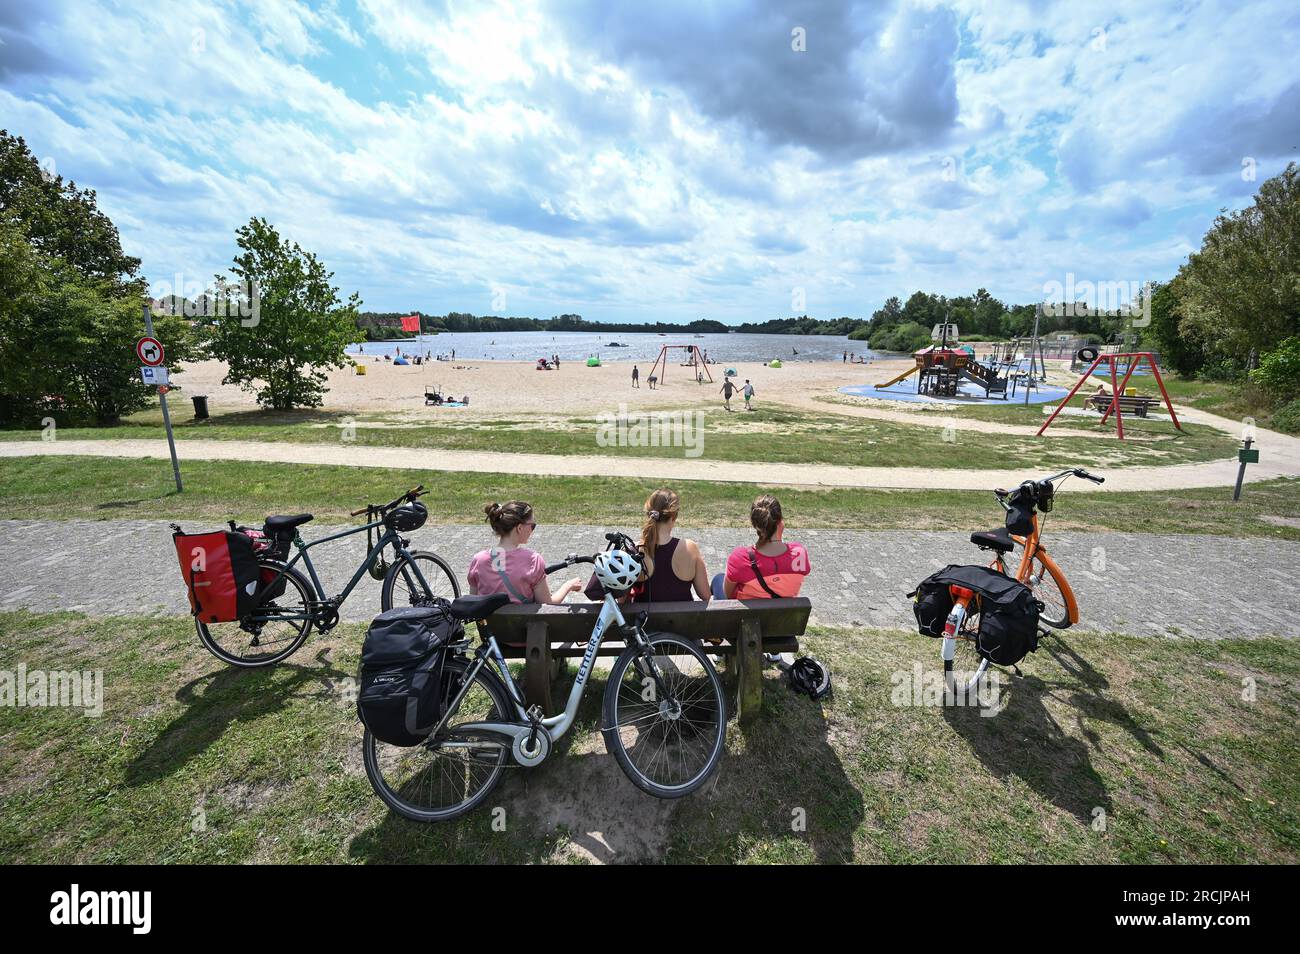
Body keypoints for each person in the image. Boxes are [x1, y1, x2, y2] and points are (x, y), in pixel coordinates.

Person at [467, 501, 583, 604]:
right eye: (532, 525)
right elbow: (547, 603)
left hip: (490, 628)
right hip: (525, 628)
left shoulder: (478, 560)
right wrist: (568, 586)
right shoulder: (533, 560)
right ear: (519, 528)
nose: (532, 529)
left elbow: (473, 601)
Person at [711, 495, 810, 600]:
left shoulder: (740, 558)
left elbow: (728, 595)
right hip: (783, 615)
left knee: (718, 579)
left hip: (746, 616)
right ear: (780, 521)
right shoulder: (799, 554)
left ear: (755, 525)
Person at [632, 489, 711, 603]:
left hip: (645, 620)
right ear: (674, 516)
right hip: (683, 620)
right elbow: (705, 595)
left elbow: (621, 599)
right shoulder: (690, 548)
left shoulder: (635, 551)